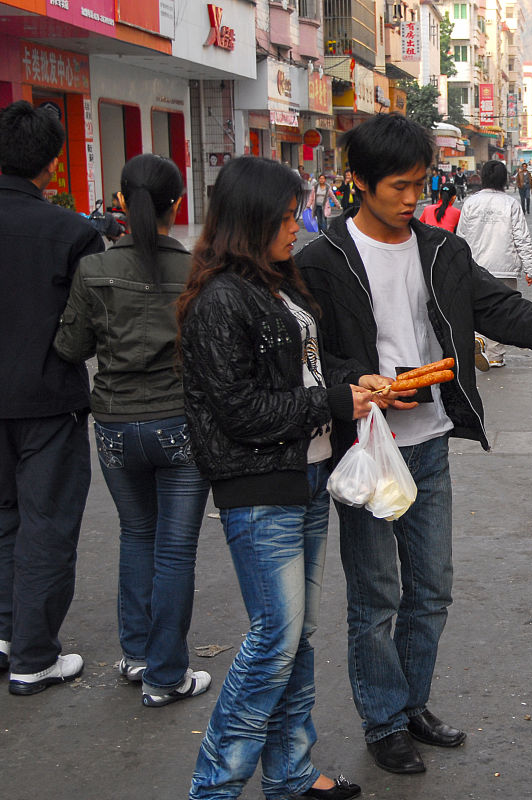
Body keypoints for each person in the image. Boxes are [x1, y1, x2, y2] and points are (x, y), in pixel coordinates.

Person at [292, 112, 532, 778]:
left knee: (431, 590)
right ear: (358, 182)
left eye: (420, 184)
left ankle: (411, 704)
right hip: (366, 449)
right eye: (397, 187)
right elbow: (311, 357)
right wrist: (362, 383)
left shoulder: (440, 249)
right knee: (376, 595)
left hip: (429, 441)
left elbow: (500, 309)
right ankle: (384, 720)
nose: (412, 198)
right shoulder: (321, 261)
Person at [179, 156, 385, 800]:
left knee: (298, 636)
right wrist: (331, 404)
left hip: (307, 477)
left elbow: (310, 371)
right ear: (251, 221)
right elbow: (238, 410)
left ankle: (291, 769)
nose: (297, 227)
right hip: (258, 487)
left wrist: (355, 383)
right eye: (286, 217)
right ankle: (214, 784)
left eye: (297, 215)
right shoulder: (219, 300)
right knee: (274, 639)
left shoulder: (279, 284)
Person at [53, 154, 213, 708]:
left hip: (116, 424)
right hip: (180, 426)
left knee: (136, 535)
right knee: (174, 550)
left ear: (120, 202)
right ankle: (166, 675)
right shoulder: (196, 269)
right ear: (177, 203)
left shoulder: (94, 271)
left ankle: (139, 655)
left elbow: (71, 347)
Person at [0, 101, 103, 693]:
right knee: (46, 523)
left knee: (4, 519)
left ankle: (9, 631)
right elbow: (88, 326)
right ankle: (34, 655)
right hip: (46, 398)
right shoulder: (73, 234)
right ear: (52, 165)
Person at [457, 159, 532, 369]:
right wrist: (529, 268)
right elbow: (522, 238)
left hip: (475, 267)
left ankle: (478, 339)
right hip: (505, 267)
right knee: (503, 312)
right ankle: (495, 355)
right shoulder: (510, 204)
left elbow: (461, 236)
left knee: (475, 308)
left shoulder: (471, 203)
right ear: (504, 179)